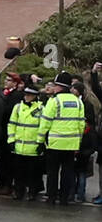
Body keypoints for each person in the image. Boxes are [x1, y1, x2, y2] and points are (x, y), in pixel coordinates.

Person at [38, 72, 84, 206]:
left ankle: (51, 197)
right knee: (67, 173)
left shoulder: (54, 101)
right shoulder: (78, 102)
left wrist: (40, 141)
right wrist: (78, 142)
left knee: (52, 173)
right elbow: (81, 124)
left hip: (55, 144)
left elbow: (45, 123)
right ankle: (64, 198)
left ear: (59, 87)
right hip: (71, 144)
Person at [7, 84, 43, 200]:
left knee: (33, 173)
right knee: (18, 172)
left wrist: (41, 143)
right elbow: (12, 124)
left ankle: (32, 192)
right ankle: (19, 192)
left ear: (35, 96)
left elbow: (43, 127)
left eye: (29, 95)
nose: (26, 97)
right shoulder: (17, 107)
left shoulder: (41, 109)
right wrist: (11, 140)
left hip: (33, 147)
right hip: (19, 146)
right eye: (26, 94)